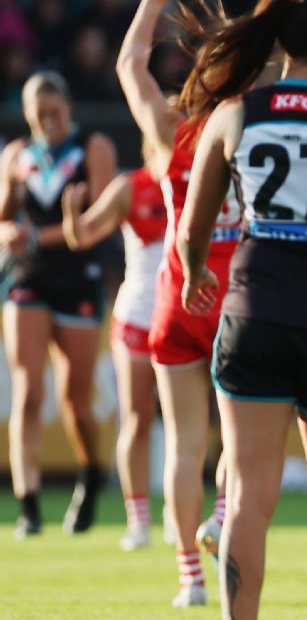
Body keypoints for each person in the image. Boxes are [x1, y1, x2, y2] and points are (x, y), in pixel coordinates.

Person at [176, 0, 307, 620]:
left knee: (247, 499)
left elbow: (192, 232)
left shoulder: (234, 114)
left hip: (254, 315)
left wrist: (197, 272)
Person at [116, 0, 236, 606]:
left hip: (176, 295)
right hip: (236, 295)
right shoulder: (252, 125)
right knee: (239, 434)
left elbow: (129, 66)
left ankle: (189, 577)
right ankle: (221, 513)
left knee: (184, 443)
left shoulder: (171, 132)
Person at [2, 70, 116, 539]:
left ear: (68, 107)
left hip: (78, 278)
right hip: (27, 278)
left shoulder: (93, 147)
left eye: (54, 112)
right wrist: (10, 233)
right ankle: (28, 504)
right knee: (27, 391)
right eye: (37, 115)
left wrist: (38, 236)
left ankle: (90, 475)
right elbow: (3, 217)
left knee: (75, 401)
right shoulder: (16, 154)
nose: (47, 122)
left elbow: (99, 219)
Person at [61, 143, 168, 551]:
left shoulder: (203, 179)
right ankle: (138, 519)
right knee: (137, 418)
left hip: (186, 315)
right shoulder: (130, 186)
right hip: (138, 315)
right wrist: (72, 214)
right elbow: (81, 236)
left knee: (186, 423)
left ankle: (181, 511)